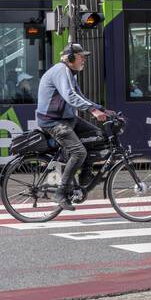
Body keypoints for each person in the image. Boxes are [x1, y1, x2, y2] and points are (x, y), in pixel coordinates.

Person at [36, 43, 109, 209]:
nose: (84, 59)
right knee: (79, 151)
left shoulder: (70, 73)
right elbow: (70, 96)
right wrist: (92, 109)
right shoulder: (61, 71)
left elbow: (79, 96)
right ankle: (60, 192)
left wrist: (101, 109)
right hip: (53, 121)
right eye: (81, 56)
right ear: (70, 58)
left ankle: (85, 176)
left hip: (67, 119)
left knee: (98, 136)